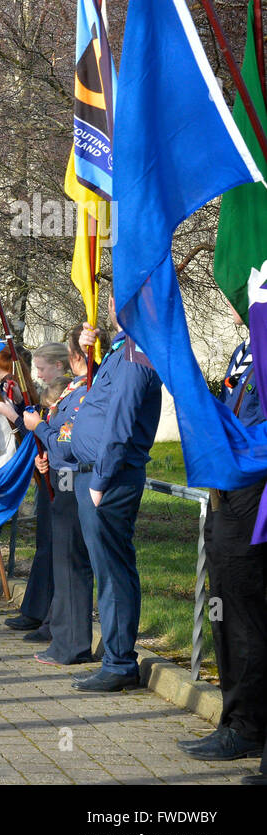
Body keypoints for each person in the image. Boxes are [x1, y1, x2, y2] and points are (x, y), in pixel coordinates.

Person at [179, 313, 267, 766]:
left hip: (253, 496)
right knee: (224, 612)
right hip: (225, 494)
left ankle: (249, 725)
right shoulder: (245, 351)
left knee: (247, 617)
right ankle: (236, 720)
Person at [69, 296, 162, 692]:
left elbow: (121, 422)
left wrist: (100, 482)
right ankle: (116, 656)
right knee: (108, 570)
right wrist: (91, 353)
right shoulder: (122, 349)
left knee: (113, 572)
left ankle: (120, 661)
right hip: (98, 477)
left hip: (110, 480)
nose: (107, 303)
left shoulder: (137, 352)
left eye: (116, 295)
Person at [23, 349, 94, 668]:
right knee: (62, 567)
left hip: (73, 482)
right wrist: (45, 458)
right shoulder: (72, 389)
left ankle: (74, 643)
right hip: (60, 479)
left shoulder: (83, 392)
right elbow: (59, 444)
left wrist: (39, 428)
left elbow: (67, 441)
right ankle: (64, 639)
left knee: (71, 566)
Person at [5, 341, 72, 637]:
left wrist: (16, 417)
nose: (39, 375)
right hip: (51, 474)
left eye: (43, 369)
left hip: (65, 481)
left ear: (59, 366)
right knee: (45, 544)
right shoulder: (52, 395)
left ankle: (44, 613)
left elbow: (54, 432)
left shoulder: (69, 396)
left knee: (55, 547)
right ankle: (35, 609)